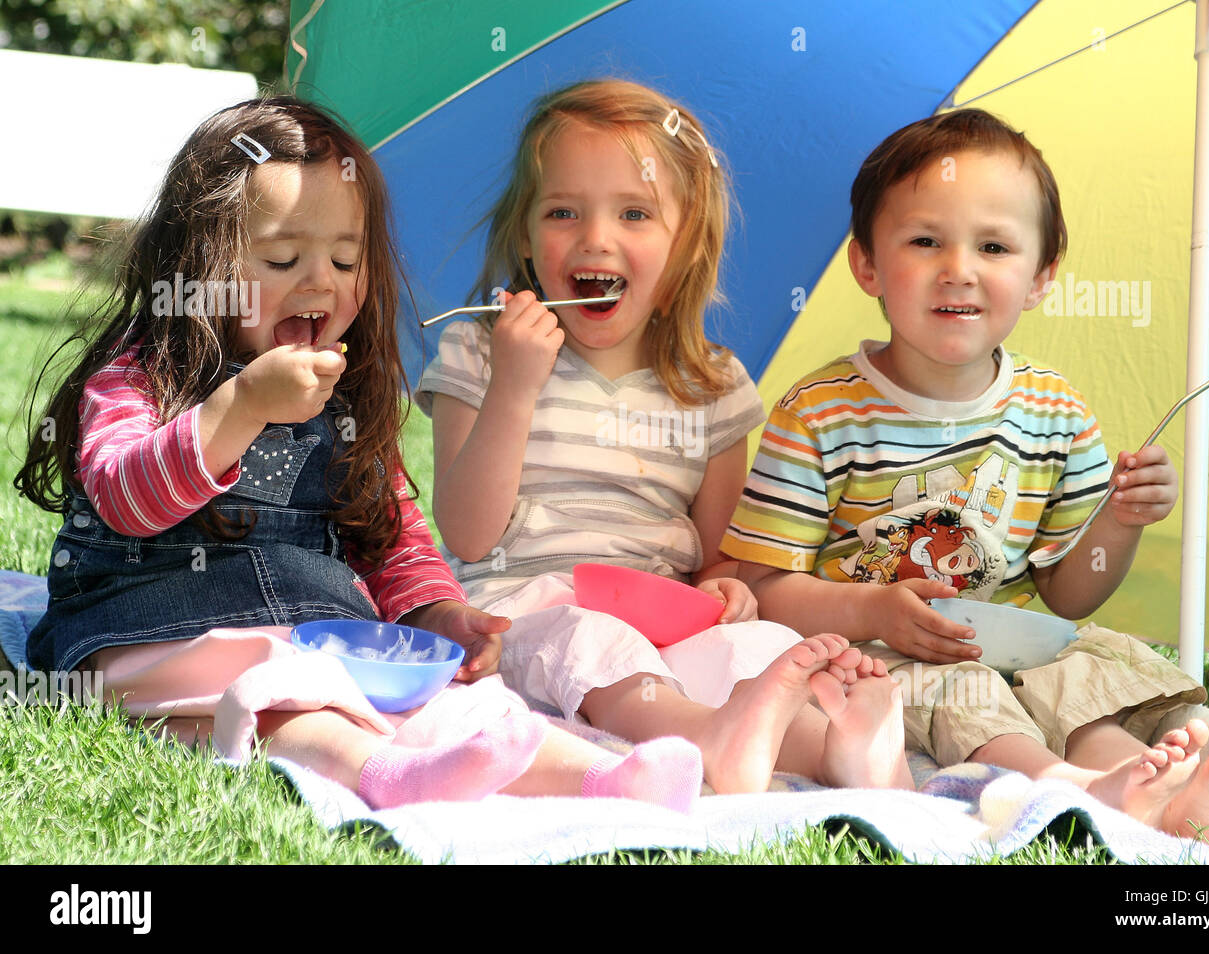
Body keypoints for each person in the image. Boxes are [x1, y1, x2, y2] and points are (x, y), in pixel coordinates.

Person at [15, 96, 707, 812]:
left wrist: (438, 612)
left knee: (454, 704)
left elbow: (388, 531)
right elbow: (126, 499)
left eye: (346, 258)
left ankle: (600, 776)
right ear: (199, 265)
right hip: (154, 626)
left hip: (312, 628)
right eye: (284, 258)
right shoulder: (141, 377)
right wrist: (241, 406)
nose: (321, 281)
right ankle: (384, 775)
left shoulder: (340, 402)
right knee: (293, 702)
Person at [722, 108, 1209, 846]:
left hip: (1028, 641)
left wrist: (1120, 521)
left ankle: (1147, 778)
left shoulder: (1055, 411)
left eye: (994, 246)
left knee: (1087, 672)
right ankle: (1071, 790)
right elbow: (765, 589)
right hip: (884, 653)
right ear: (867, 263)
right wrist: (875, 613)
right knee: (962, 691)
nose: (958, 267)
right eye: (925, 240)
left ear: (1040, 278)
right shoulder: (820, 414)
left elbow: (1069, 593)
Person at [420, 79, 911, 795]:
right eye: (562, 211)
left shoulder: (711, 385)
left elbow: (721, 560)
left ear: (683, 246)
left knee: (760, 647)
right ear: (526, 236)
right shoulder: (482, 352)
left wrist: (728, 592)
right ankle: (706, 737)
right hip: (527, 611)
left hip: (667, 620)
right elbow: (465, 534)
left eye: (634, 213)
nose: (595, 238)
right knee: (592, 641)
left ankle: (835, 750)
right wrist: (515, 387)